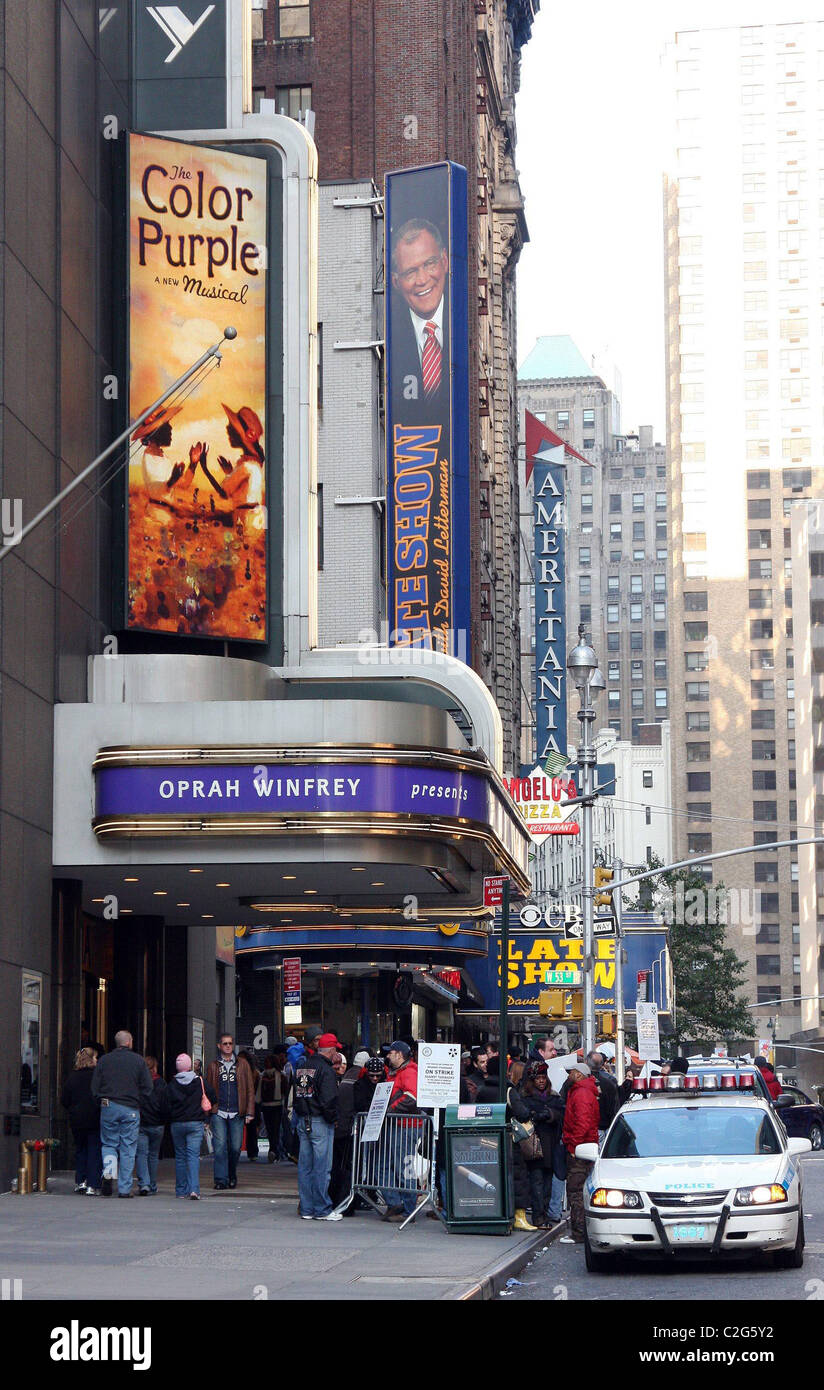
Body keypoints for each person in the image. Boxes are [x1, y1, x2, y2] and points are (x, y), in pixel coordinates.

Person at [389, 218, 450, 430]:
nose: (422, 279)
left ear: (445, 261)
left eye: (429, 264)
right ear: (396, 281)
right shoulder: (391, 335)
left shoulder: (463, 322)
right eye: (410, 272)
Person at [476, 1056, 536, 1231]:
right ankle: (519, 1216)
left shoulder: (482, 1089)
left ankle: (495, 1213)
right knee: (517, 1177)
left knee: (491, 1176)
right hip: (508, 1140)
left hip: (486, 1140)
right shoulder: (508, 1090)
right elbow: (522, 1113)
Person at [90, 1029, 153, 1198]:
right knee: (128, 1147)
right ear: (129, 1042)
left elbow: (95, 1087)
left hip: (108, 1105)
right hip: (130, 1107)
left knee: (109, 1144)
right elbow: (148, 1087)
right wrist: (138, 1101)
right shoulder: (138, 1061)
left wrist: (101, 1101)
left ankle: (109, 1173)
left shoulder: (104, 1060)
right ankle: (124, 1189)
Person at [294, 1032, 342, 1221]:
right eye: (335, 1050)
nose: (337, 1054)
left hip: (303, 1119)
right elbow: (329, 1099)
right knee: (322, 1167)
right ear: (330, 1051)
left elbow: (298, 1094)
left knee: (305, 1167)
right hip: (320, 1121)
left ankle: (306, 1208)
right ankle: (322, 1208)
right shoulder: (326, 1070)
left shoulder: (303, 1066)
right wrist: (333, 1118)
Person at [205, 1033, 256, 1191]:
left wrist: (249, 1111)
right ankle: (221, 1179)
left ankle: (232, 1174)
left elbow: (249, 1089)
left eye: (230, 1043)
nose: (228, 1046)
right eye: (225, 1043)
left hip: (237, 1112)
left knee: (235, 1147)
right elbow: (208, 1089)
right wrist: (208, 1113)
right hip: (218, 1111)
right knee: (219, 1147)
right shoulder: (213, 1066)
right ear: (219, 1046)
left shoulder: (243, 1065)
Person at [519, 1062, 565, 1228]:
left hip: (550, 1144)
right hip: (534, 1144)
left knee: (547, 1181)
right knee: (537, 1180)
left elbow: (561, 1113)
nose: (541, 1081)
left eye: (543, 1077)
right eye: (538, 1078)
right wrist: (536, 1116)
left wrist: (550, 1114)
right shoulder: (526, 1097)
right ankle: (539, 1215)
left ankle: (544, 1212)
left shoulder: (554, 1096)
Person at [380, 1041, 421, 1222]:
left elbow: (412, 1097)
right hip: (398, 1125)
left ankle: (407, 1209)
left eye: (391, 1053)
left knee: (404, 1167)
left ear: (399, 1054)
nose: (388, 1056)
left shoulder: (409, 1072)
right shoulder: (399, 1073)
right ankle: (399, 1205)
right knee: (390, 1166)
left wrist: (389, 1110)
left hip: (405, 1126)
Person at [167, 1053, 217, 1199]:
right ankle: (194, 1189)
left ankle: (181, 1191)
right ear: (189, 1066)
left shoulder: (172, 1084)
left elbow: (166, 1104)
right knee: (193, 1157)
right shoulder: (199, 1081)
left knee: (180, 1157)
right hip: (195, 1123)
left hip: (177, 1123)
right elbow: (213, 1097)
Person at [561, 1063, 600, 1244]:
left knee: (576, 1191)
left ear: (578, 1075)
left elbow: (582, 1123)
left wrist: (574, 1147)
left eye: (571, 1073)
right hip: (583, 1146)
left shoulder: (580, 1093)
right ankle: (581, 1231)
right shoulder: (584, 1091)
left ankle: (579, 1233)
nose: (569, 1075)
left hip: (580, 1148)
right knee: (579, 1190)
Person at [330, 1049, 370, 1210]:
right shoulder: (359, 1080)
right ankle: (348, 1201)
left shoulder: (346, 1077)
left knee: (339, 1165)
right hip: (350, 1129)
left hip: (340, 1128)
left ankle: (339, 1199)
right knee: (350, 1167)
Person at [61, 1047, 103, 1196]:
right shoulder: (97, 1076)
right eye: (96, 1058)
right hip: (94, 1118)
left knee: (80, 1150)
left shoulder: (72, 1077)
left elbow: (64, 1099)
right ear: (91, 1060)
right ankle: (93, 1184)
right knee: (94, 1150)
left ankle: (81, 1181)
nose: (97, 1060)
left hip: (77, 1120)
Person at [136, 1054, 168, 1196]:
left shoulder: (138, 1083)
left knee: (142, 1154)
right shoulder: (161, 1083)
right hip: (158, 1124)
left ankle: (144, 1184)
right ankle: (153, 1184)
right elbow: (165, 1105)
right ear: (155, 1067)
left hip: (142, 1123)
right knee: (153, 1156)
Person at [586, 1049, 619, 1140]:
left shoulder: (582, 1082)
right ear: (602, 1064)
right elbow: (615, 1106)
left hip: (593, 1128)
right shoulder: (610, 1082)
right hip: (607, 1126)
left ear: (586, 1062)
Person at [260, 1054, 286, 1162]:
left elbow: (259, 1092)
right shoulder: (281, 1075)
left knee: (270, 1129)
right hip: (277, 1105)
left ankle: (273, 1150)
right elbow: (285, 1090)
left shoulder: (262, 1076)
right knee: (276, 1129)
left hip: (265, 1105)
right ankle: (275, 1151)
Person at [239, 1048, 261, 1161]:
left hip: (250, 1103)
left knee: (251, 1129)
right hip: (242, 1103)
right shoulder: (254, 1073)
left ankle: (252, 1152)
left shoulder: (255, 1073)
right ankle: (251, 1152)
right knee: (239, 1128)